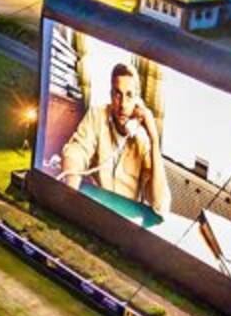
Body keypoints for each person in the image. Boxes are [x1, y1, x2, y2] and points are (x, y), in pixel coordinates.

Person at [58, 62, 170, 215]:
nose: (123, 104)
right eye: (118, 94)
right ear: (111, 95)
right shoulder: (97, 115)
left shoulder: (143, 139)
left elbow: (160, 204)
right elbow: (77, 151)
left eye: (129, 95)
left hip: (123, 220)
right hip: (94, 209)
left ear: (137, 99)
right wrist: (69, 194)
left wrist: (154, 140)